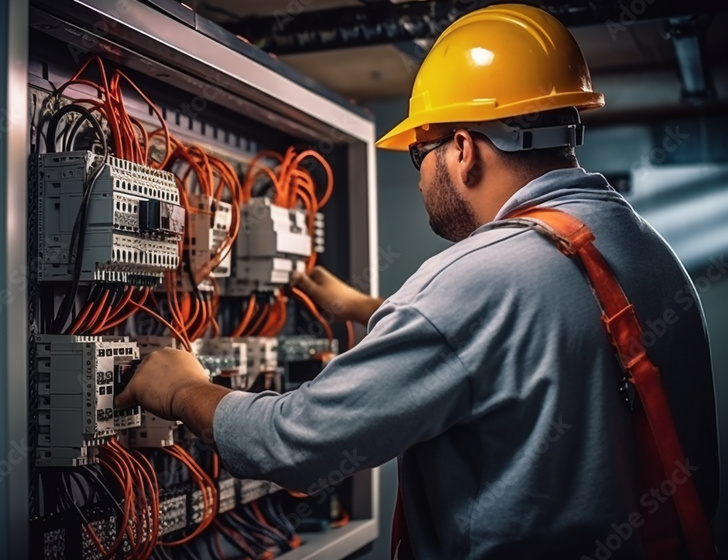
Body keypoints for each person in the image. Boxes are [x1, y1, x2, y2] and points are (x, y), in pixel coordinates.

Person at [114, 4, 720, 558]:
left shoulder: (478, 277)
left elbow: (294, 444)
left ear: (463, 149)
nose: (421, 176)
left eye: (417, 153)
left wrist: (183, 389)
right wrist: (368, 307)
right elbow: (532, 340)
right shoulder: (646, 250)